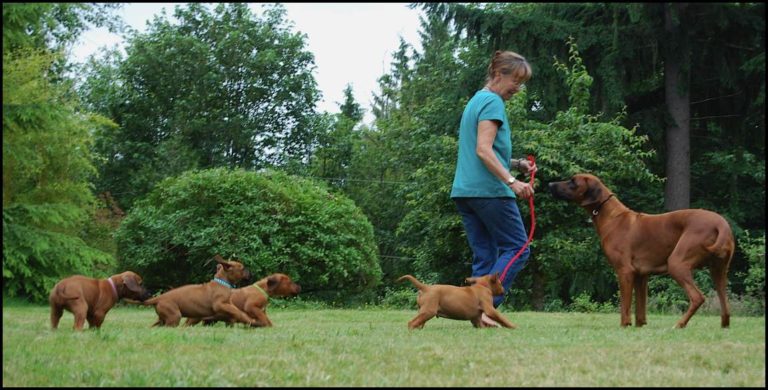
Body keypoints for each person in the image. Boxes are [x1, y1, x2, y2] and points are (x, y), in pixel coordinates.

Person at [450, 50, 537, 327]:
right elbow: (483, 150)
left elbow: (484, 152)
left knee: (485, 254)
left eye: (523, 83)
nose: (518, 88)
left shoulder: (476, 100)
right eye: (516, 80)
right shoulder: (493, 103)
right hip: (490, 192)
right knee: (518, 247)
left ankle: (476, 316)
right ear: (499, 74)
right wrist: (512, 181)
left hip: (465, 191)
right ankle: (485, 307)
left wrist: (517, 164)